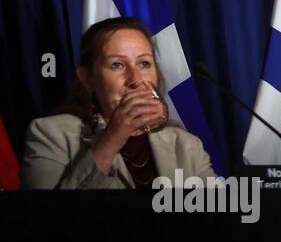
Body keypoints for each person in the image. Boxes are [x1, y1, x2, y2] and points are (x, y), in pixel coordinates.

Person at [22, 16, 213, 189]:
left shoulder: (186, 144)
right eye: (117, 65)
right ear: (87, 79)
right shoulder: (50, 134)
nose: (135, 79)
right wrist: (113, 137)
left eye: (144, 63)